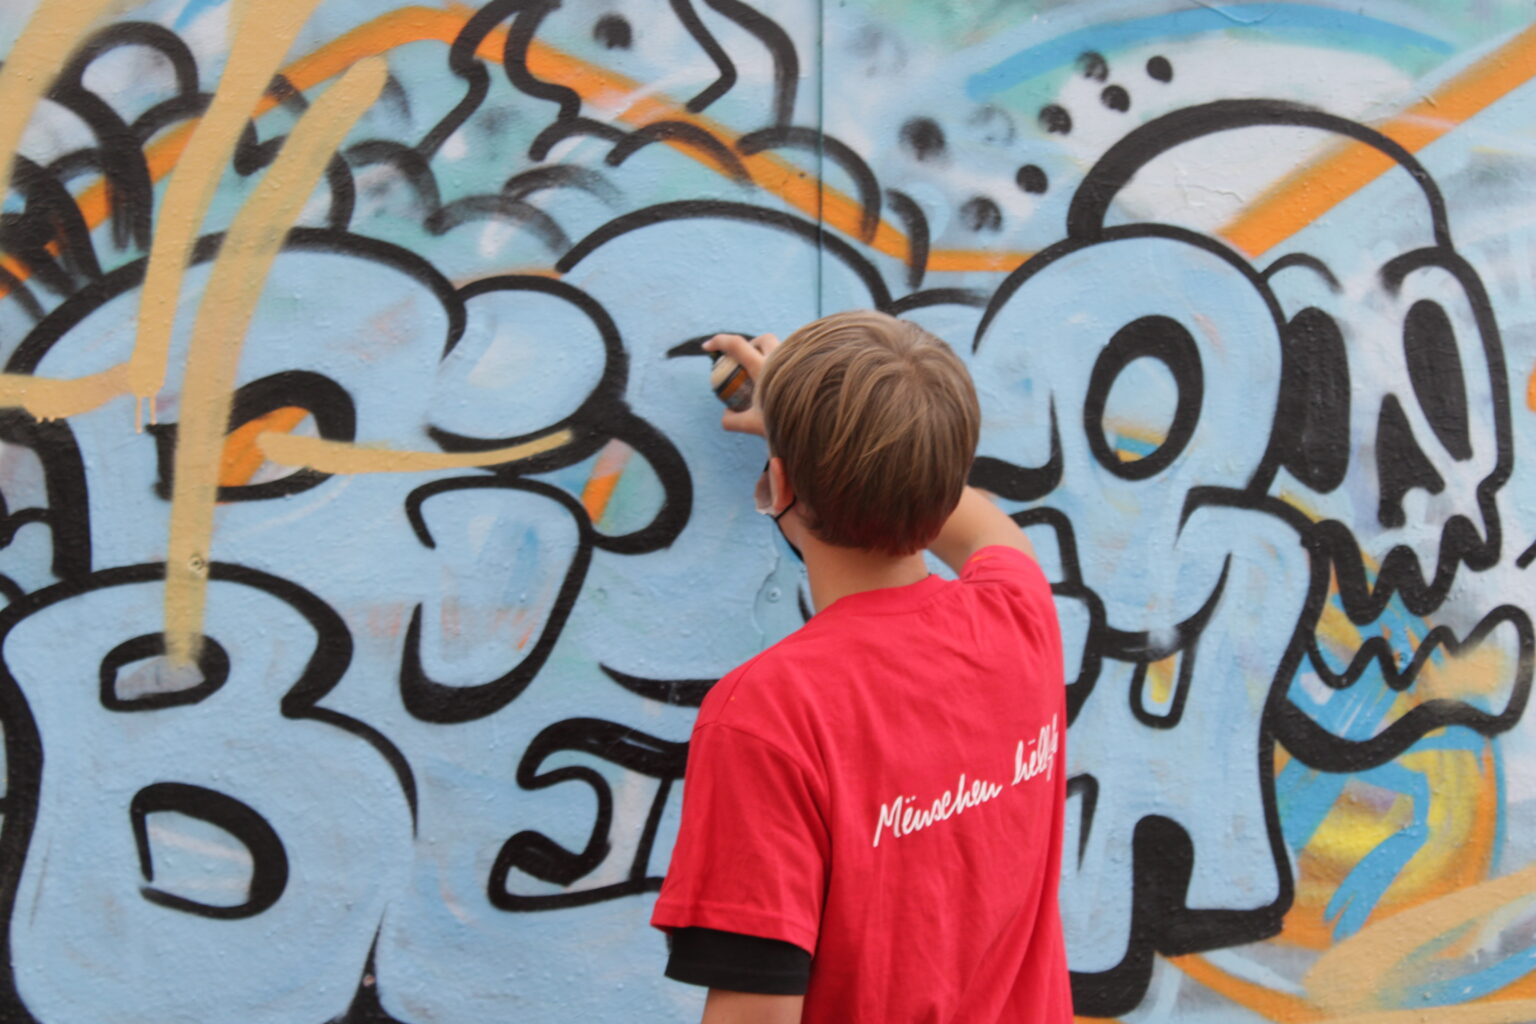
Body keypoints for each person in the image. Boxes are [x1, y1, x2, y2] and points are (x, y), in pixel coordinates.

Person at [651, 311, 1071, 1023]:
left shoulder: (767, 713)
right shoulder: (1020, 614)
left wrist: (804, 421)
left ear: (778, 483)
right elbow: (978, 522)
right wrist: (826, 423)